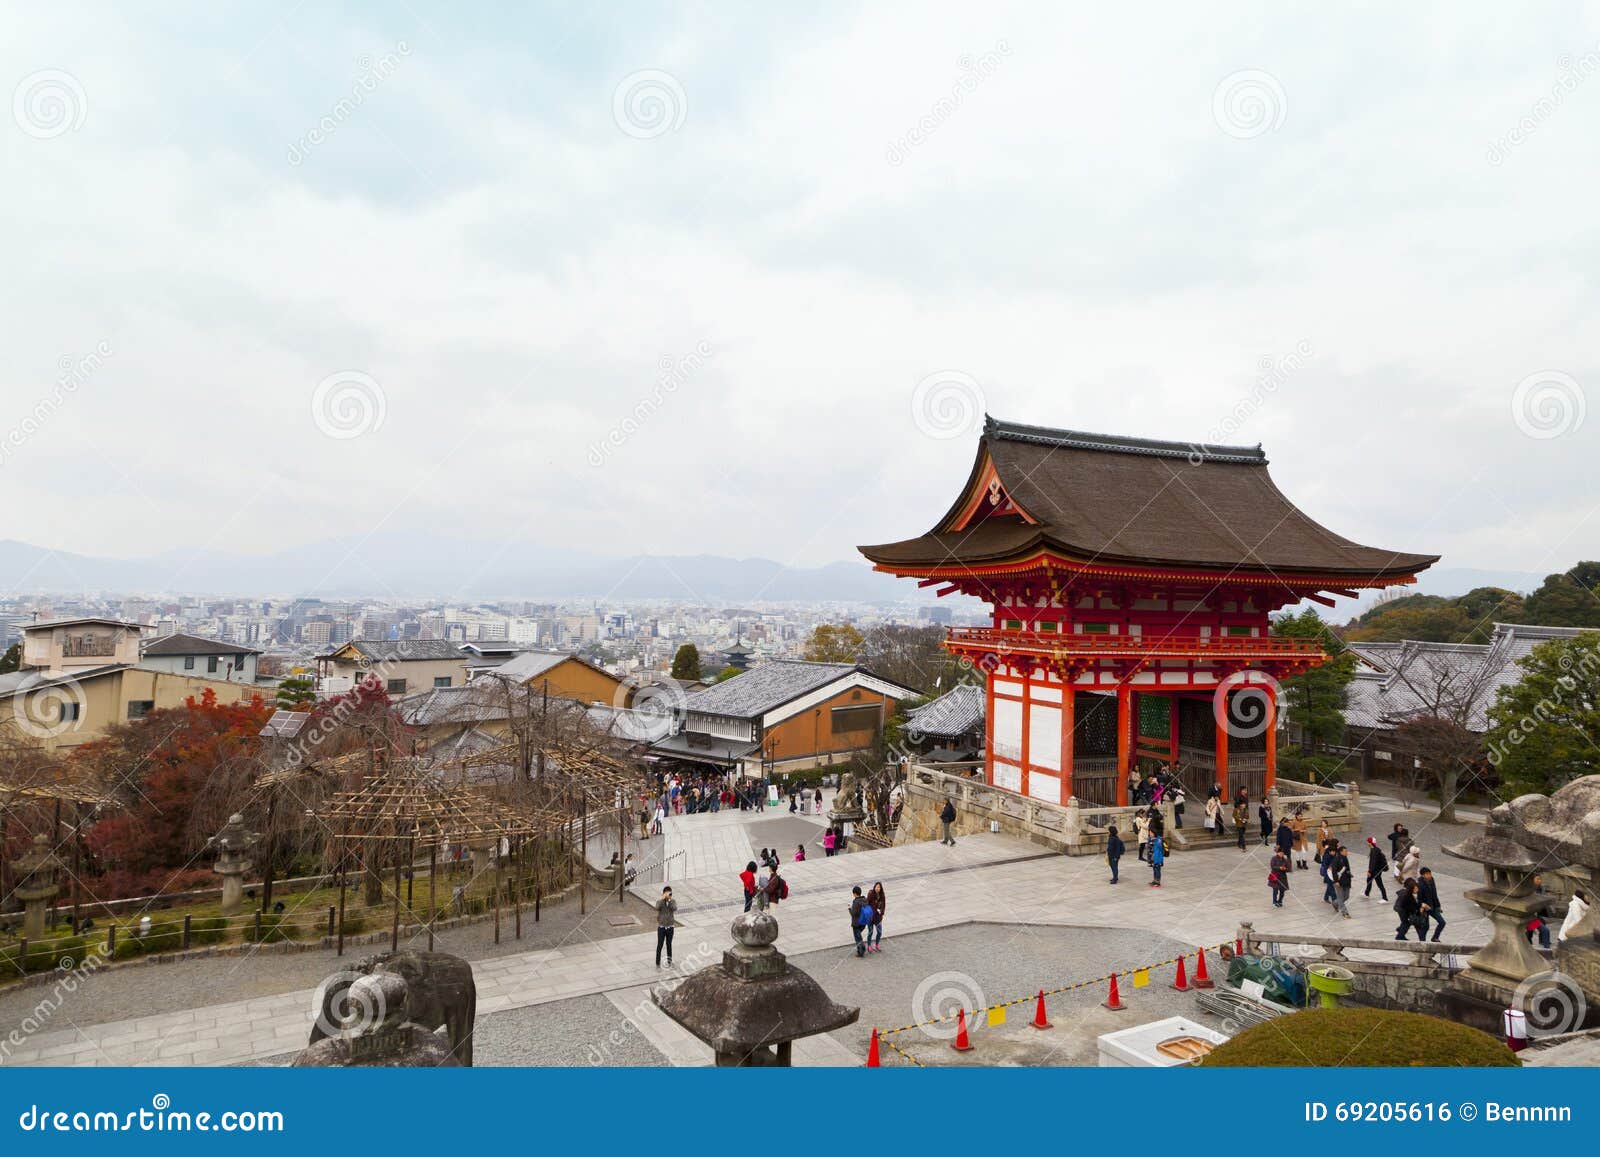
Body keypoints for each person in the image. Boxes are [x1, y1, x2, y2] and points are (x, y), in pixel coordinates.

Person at [1417, 867, 1446, 941]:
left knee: (1442, 922)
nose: (1430, 875)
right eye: (1427, 874)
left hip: (1433, 906)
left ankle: (1435, 937)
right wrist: (1422, 906)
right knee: (1425, 927)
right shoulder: (1419, 884)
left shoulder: (1431, 880)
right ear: (1423, 875)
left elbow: (1434, 894)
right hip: (1425, 908)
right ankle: (1422, 942)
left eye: (1430, 874)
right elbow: (1418, 899)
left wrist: (1438, 906)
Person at [655, 886, 677, 967]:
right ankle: (657, 962)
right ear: (664, 893)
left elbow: (674, 908)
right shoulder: (660, 901)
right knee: (660, 945)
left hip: (670, 927)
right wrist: (662, 899)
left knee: (669, 944)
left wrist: (669, 900)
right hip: (662, 927)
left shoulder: (673, 901)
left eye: (670, 893)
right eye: (667, 893)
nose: (669, 895)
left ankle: (669, 961)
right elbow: (657, 907)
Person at [1331, 843, 1354, 919]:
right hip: (1339, 881)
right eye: (1345, 851)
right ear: (1341, 852)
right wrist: (1336, 881)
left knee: (1346, 896)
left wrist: (1350, 874)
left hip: (1346, 881)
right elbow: (1334, 871)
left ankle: (1335, 903)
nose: (1347, 852)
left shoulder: (1345, 858)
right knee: (1341, 898)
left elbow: (1347, 869)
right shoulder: (1336, 859)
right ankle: (1345, 913)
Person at [849, 886, 870, 958]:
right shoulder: (864, 900)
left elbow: (853, 914)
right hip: (863, 922)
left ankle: (861, 951)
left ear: (854, 893)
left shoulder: (856, 902)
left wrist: (849, 909)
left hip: (856, 923)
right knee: (859, 936)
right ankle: (862, 949)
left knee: (858, 938)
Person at [866, 882, 886, 952]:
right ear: (874, 887)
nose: (877, 888)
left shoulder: (882, 896)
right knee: (870, 932)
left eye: (879, 887)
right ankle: (869, 945)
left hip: (878, 917)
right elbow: (867, 904)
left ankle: (877, 944)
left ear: (881, 888)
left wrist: (882, 913)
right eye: (876, 887)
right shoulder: (871, 894)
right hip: (870, 917)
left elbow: (883, 905)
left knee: (879, 932)